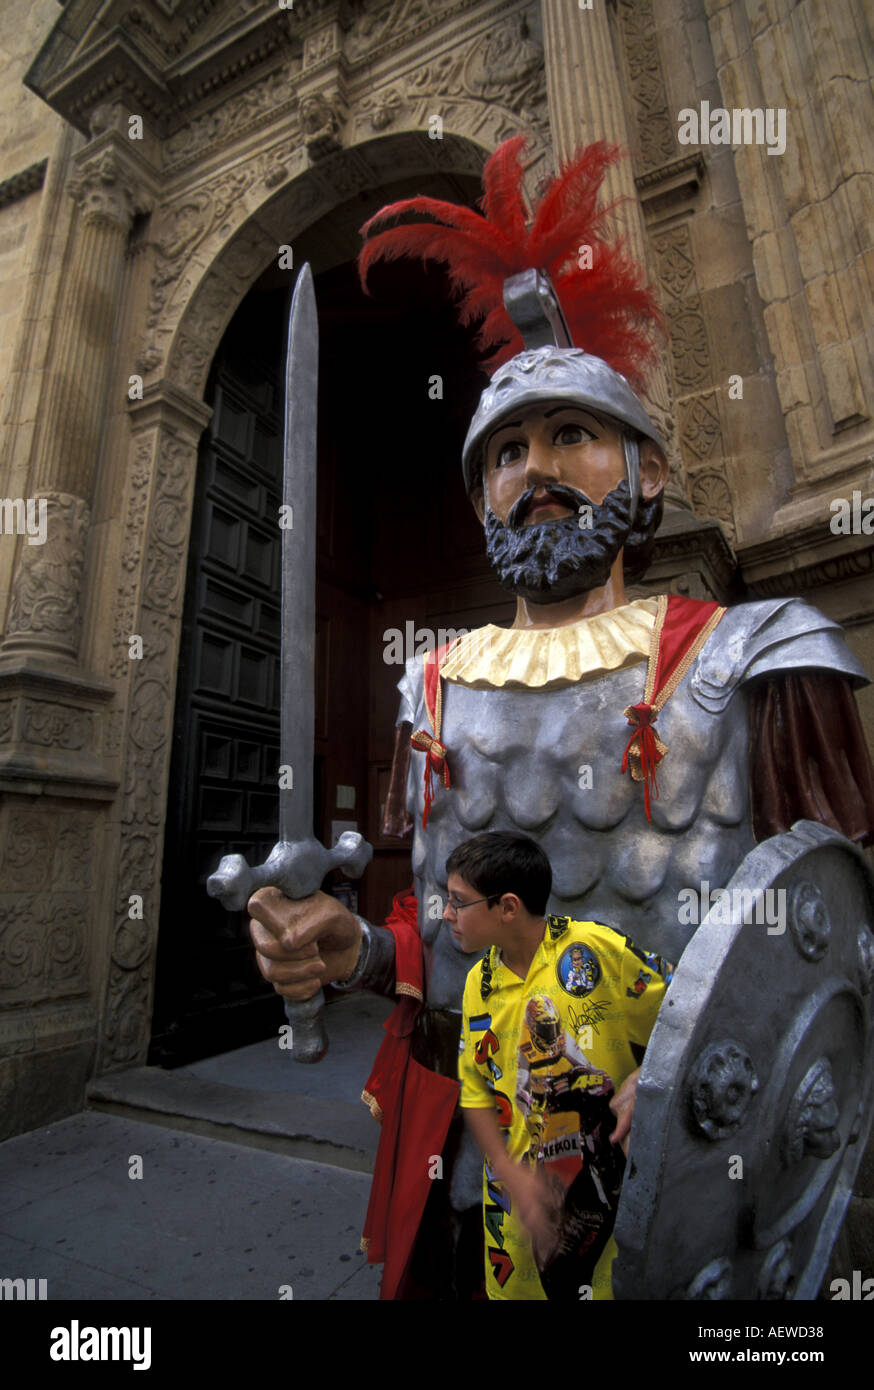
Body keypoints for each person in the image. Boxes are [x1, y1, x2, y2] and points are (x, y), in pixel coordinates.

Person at [248, 138, 874, 1299]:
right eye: (507, 452)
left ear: (643, 475)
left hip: (693, 1176)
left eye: (572, 438)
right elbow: (449, 939)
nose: (536, 469)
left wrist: (691, 1076)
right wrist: (356, 952)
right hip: (486, 1172)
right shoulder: (429, 689)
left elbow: (834, 931)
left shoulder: (760, 657)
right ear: (480, 494)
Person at [451, 831, 668, 1300]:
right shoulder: (478, 985)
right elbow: (474, 1093)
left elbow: (683, 1016)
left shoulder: (593, 951)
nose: (445, 914)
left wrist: (643, 1077)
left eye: (458, 901)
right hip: (514, 1214)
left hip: (604, 1198)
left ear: (507, 908)